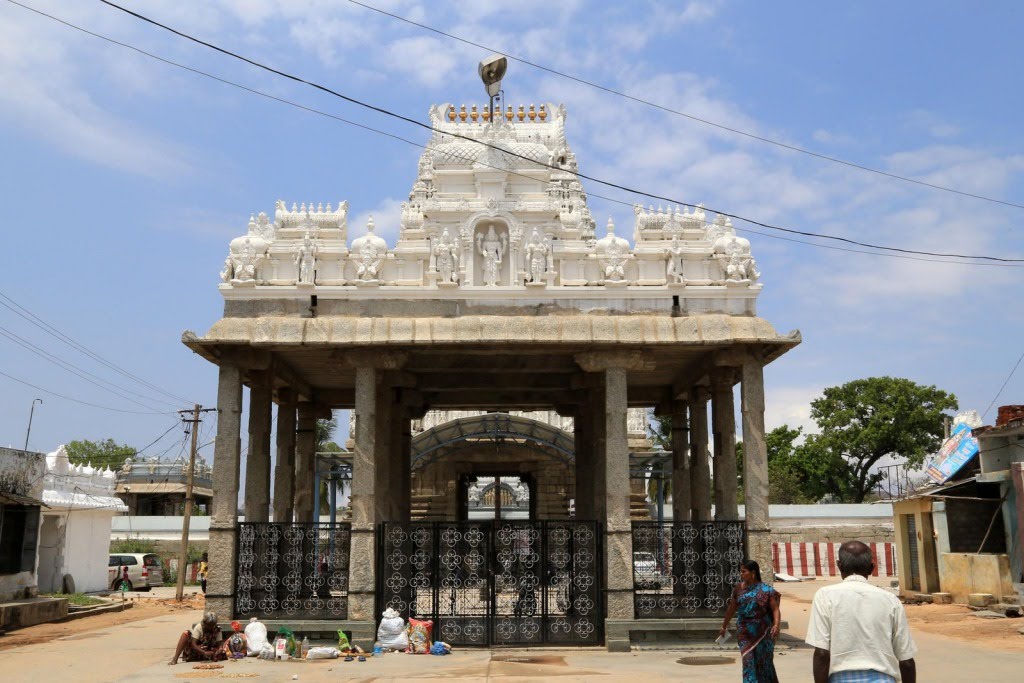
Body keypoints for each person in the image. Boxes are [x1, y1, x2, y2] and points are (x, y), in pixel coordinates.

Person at [806, 541, 917, 683]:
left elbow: (821, 653)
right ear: (872, 568)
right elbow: (906, 659)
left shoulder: (825, 596)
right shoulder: (890, 600)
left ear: (839, 565)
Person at [719, 559, 782, 683]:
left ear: (753, 573)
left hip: (763, 631)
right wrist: (724, 626)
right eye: (741, 572)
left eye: (744, 572)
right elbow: (731, 609)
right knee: (748, 661)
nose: (741, 574)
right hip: (745, 632)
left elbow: (775, 609)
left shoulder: (766, 590)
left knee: (763, 662)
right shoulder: (738, 589)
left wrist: (776, 624)